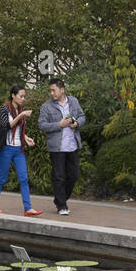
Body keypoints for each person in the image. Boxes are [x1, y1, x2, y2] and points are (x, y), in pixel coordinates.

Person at [0, 85, 42, 216]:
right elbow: (7, 126)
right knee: (2, 178)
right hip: (6, 148)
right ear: (13, 95)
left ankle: (28, 208)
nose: (23, 98)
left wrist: (26, 138)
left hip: (18, 149)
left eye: (24, 96)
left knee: (24, 178)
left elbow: (18, 129)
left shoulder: (21, 110)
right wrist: (21, 115)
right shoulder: (4, 109)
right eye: (21, 96)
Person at [37, 77, 86, 215]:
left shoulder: (74, 101)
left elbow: (82, 116)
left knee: (74, 175)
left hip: (72, 145)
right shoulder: (46, 106)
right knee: (58, 176)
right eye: (50, 91)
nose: (51, 93)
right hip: (56, 147)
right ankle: (62, 206)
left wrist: (77, 123)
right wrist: (59, 124)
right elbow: (42, 125)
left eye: (54, 90)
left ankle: (60, 199)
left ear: (62, 90)